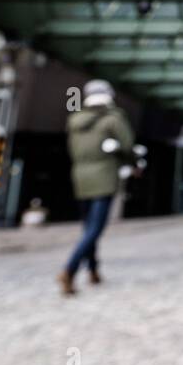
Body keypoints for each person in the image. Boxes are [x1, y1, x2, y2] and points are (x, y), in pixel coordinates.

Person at [59, 79, 134, 296]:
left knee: (87, 228)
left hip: (80, 177)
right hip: (105, 177)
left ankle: (93, 271)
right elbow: (127, 146)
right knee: (95, 229)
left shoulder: (74, 119)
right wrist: (126, 158)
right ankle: (69, 269)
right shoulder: (114, 119)